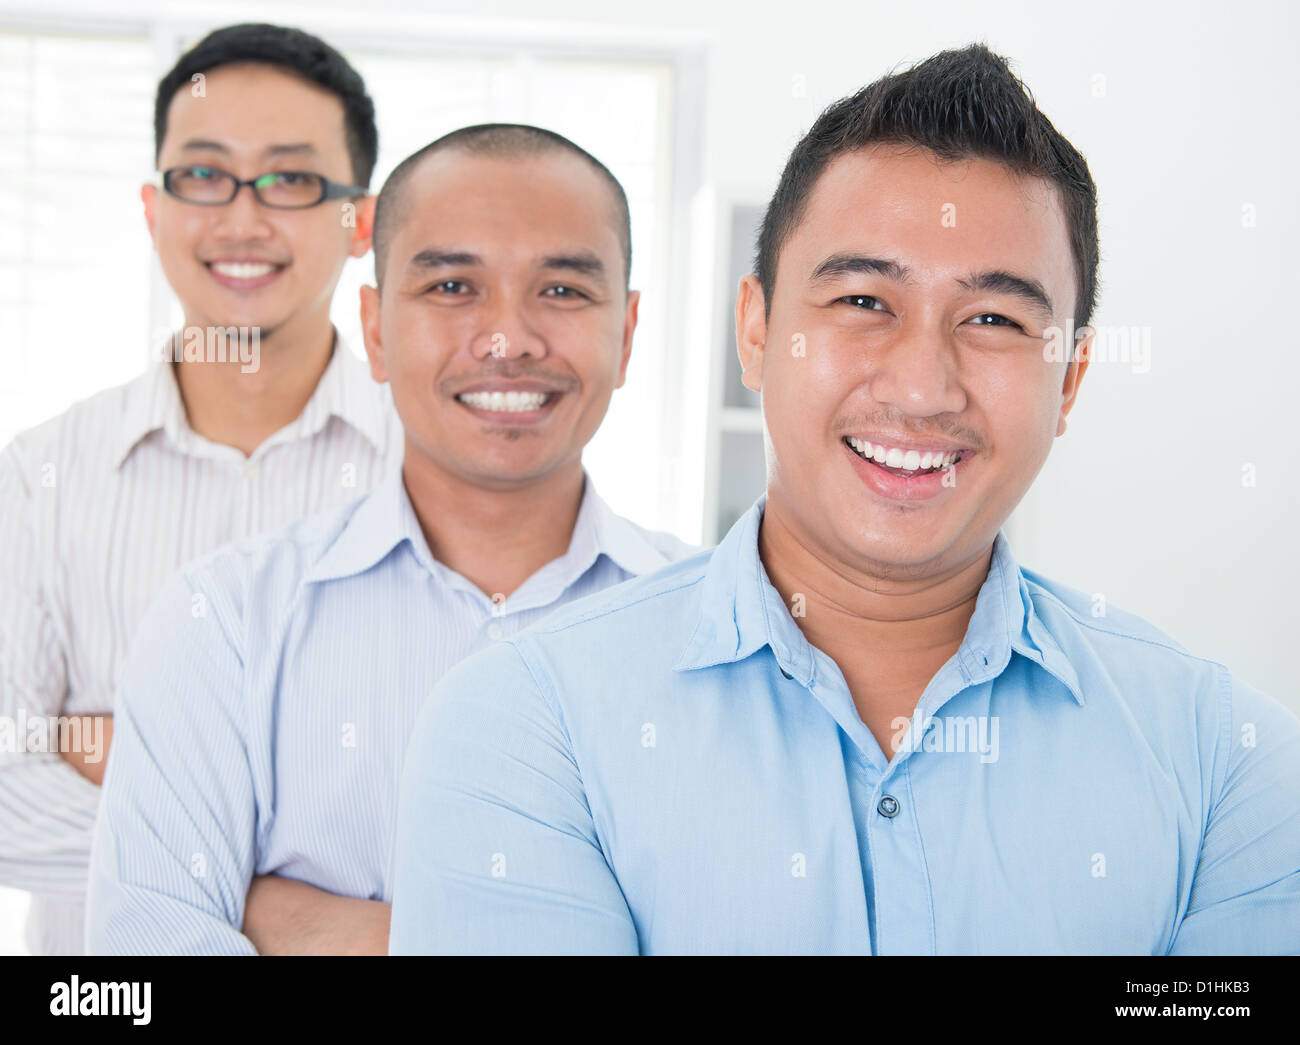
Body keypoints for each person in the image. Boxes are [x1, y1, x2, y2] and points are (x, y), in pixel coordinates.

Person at [387, 44, 1300, 955]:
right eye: (864, 300)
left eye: (993, 319)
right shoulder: (526, 728)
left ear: (1069, 381)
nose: (921, 387)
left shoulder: (1229, 762)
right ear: (756, 331)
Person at [84, 123, 697, 955]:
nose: (507, 338)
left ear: (625, 335)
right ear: (374, 329)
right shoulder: (223, 624)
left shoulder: (727, 631)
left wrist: (336, 931)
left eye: (561, 291)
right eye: (451, 286)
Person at [0, 22, 400, 956]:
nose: (242, 219)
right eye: (204, 175)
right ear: (153, 208)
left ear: (362, 221)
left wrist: (132, 765)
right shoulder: (39, 476)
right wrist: (287, 901)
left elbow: (438, 800)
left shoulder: (436, 476)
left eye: (293, 180)